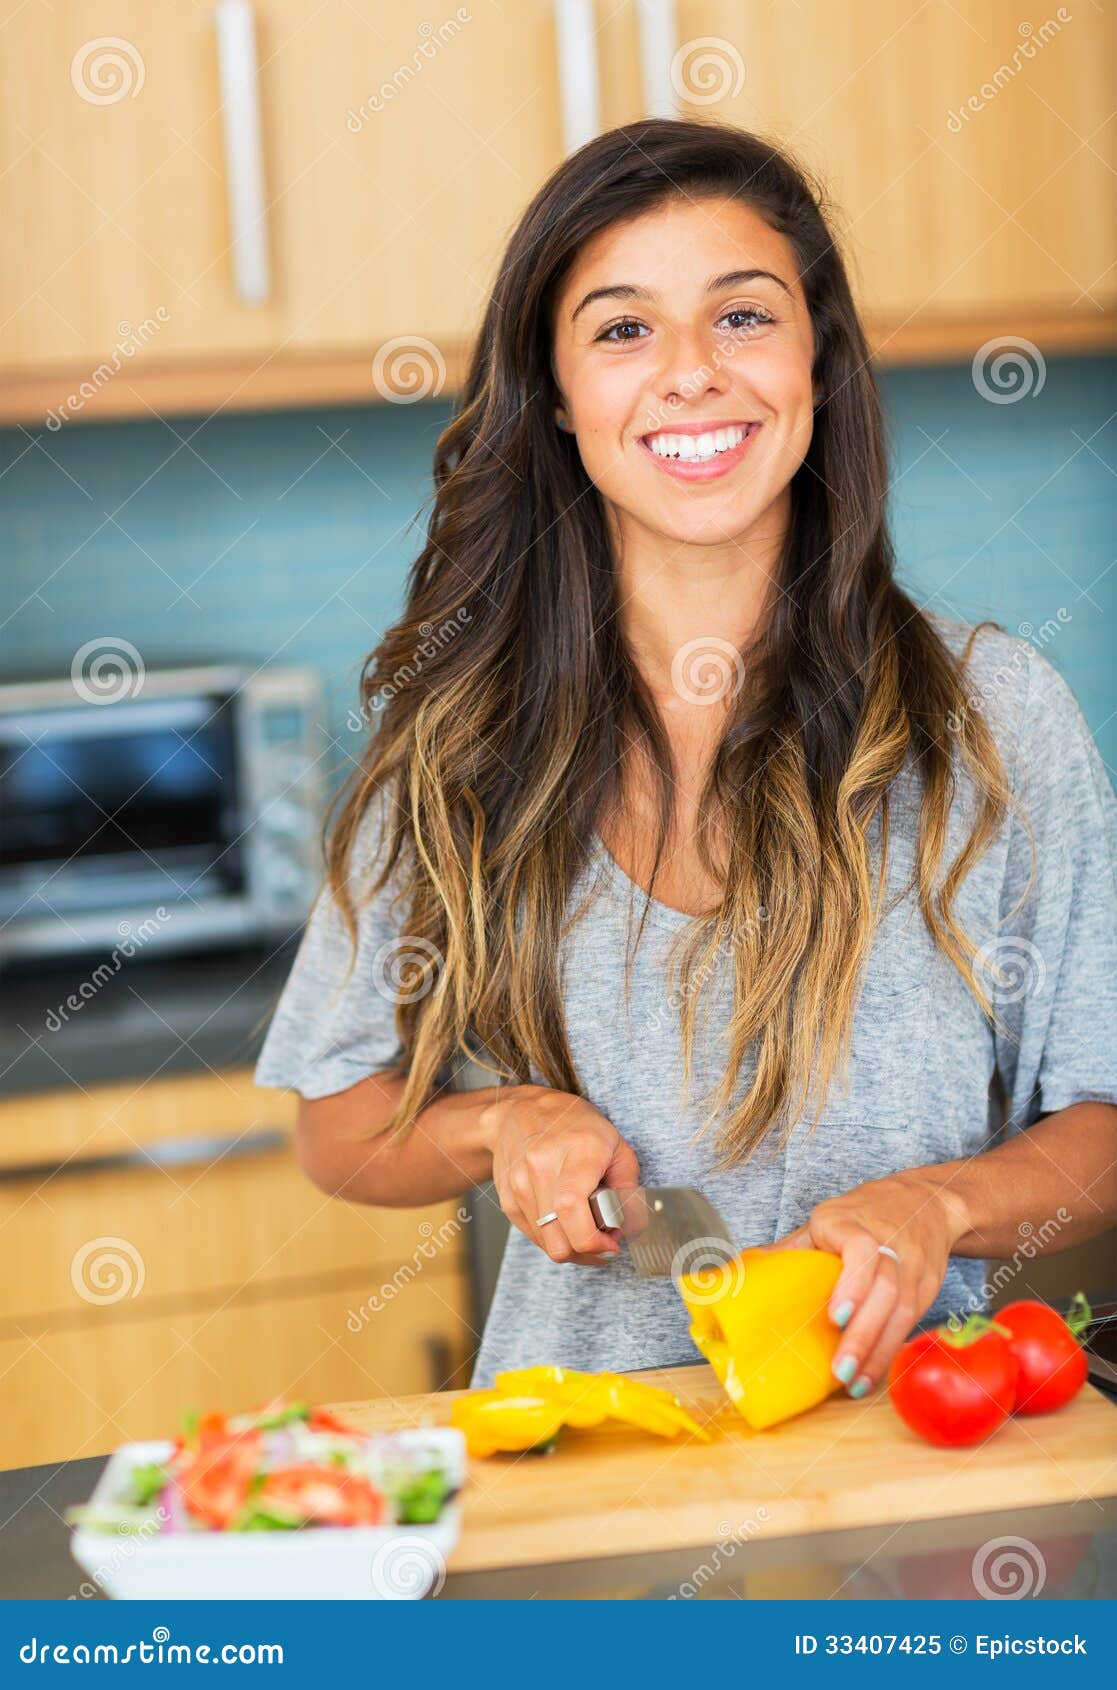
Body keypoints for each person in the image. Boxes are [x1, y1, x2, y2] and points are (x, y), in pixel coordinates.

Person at [255, 118, 1117, 1401]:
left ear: (816, 360)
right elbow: (336, 1122)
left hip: (916, 1464)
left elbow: (1100, 1125)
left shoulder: (992, 719)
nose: (691, 374)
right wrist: (499, 1122)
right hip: (588, 1467)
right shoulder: (459, 742)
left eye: (743, 316)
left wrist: (941, 1204)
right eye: (621, 329)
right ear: (555, 393)